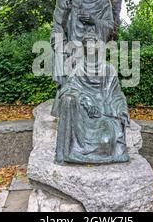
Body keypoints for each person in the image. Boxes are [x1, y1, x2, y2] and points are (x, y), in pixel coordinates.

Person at [55, 31, 130, 164]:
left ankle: (87, 153)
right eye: (86, 44)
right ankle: (67, 153)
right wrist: (85, 100)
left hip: (103, 114)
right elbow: (67, 89)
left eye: (92, 44)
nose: (89, 47)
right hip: (83, 115)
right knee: (68, 99)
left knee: (106, 142)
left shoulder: (108, 69)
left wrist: (121, 110)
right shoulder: (78, 68)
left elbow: (116, 95)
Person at [50, 0, 82, 116]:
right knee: (60, 52)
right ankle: (63, 93)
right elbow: (58, 20)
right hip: (64, 33)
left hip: (82, 36)